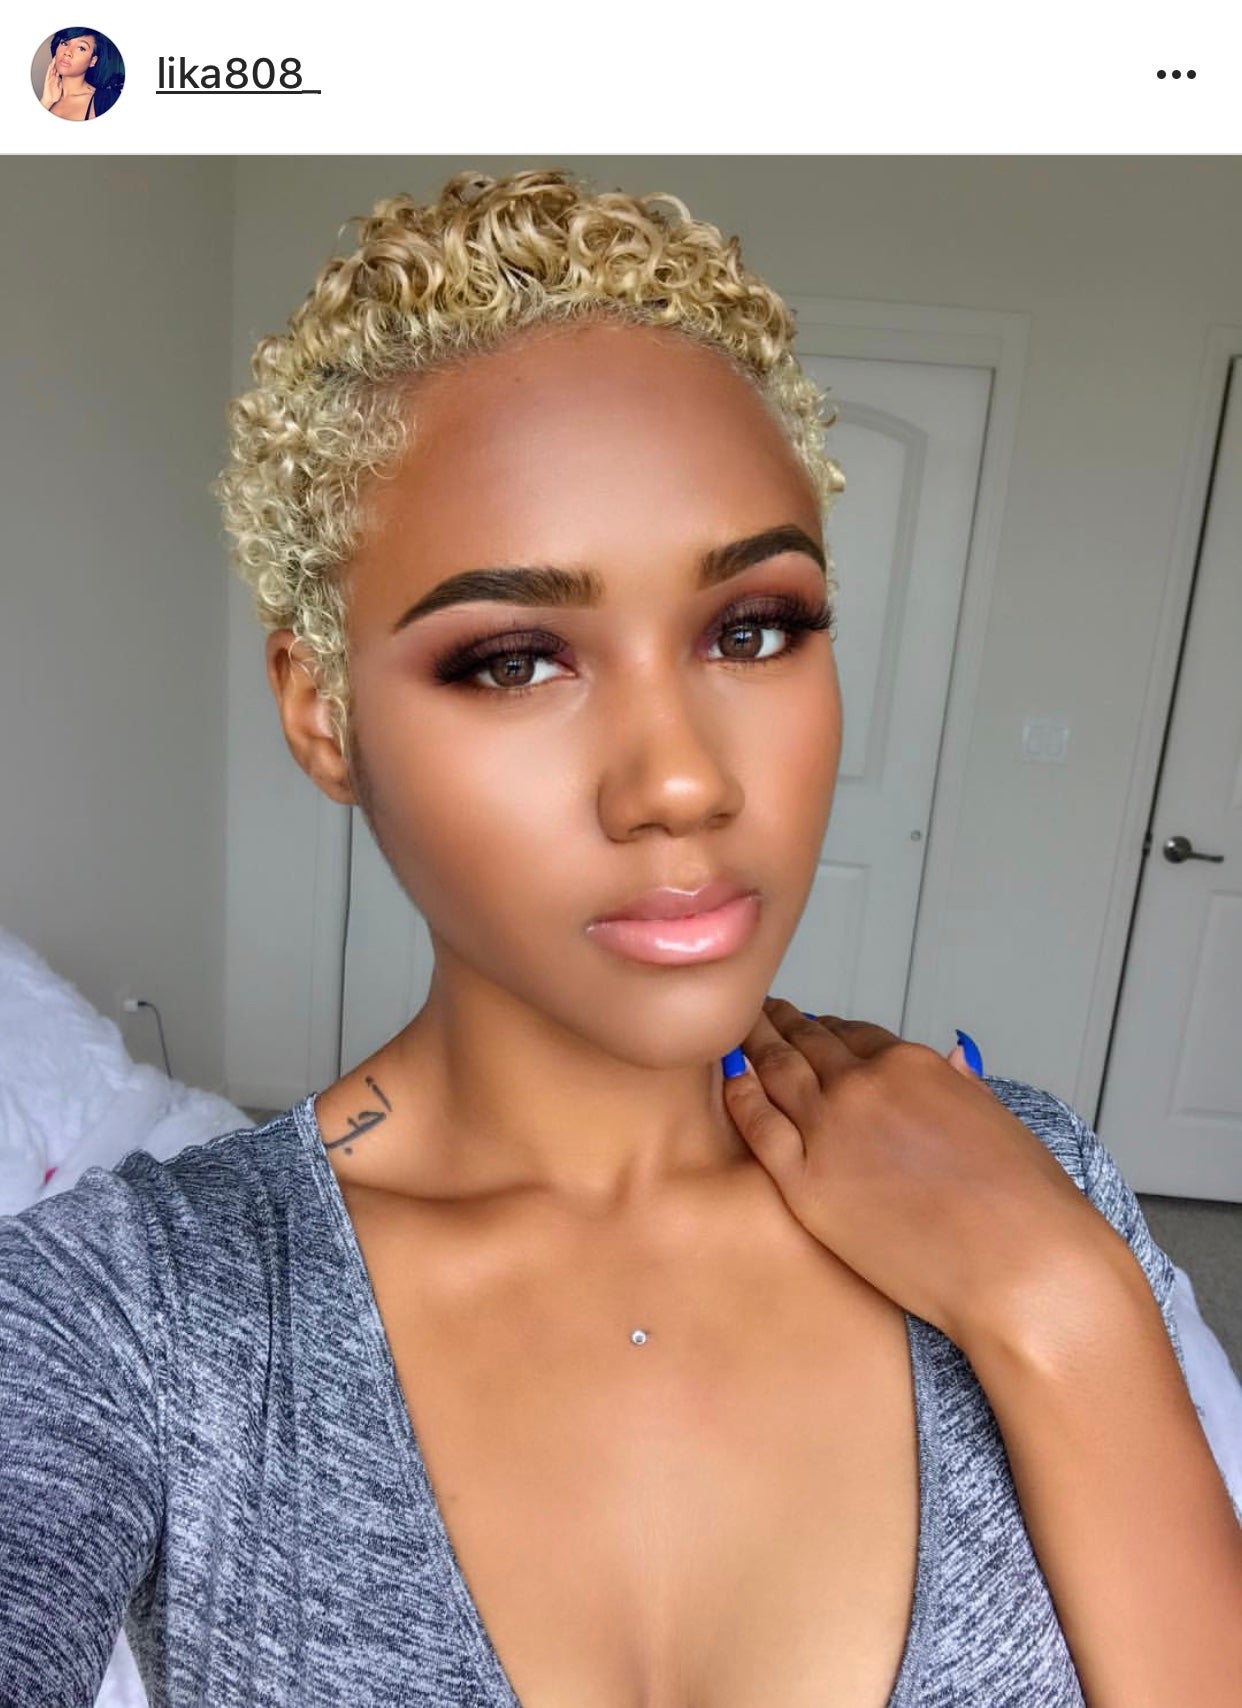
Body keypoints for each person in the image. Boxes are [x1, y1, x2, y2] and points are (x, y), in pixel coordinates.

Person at [1, 167, 1237, 1708]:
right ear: (325, 717)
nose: (681, 781)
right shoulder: (119, 1310)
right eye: (516, 660)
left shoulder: (1030, 1181)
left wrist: (1060, 1310)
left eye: (751, 630)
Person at [39, 27, 123, 121]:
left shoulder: (109, 101)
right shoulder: (48, 97)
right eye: (64, 43)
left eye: (81, 48)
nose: (67, 52)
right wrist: (46, 101)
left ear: (92, 61)